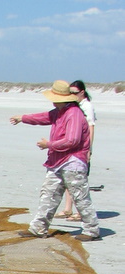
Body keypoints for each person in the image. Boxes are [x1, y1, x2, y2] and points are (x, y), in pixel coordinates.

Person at [10, 80, 101, 242]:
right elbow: (44, 117)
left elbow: (72, 140)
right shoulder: (60, 111)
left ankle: (91, 229)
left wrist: (48, 144)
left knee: (80, 196)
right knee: (49, 194)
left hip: (72, 161)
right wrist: (22, 118)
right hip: (57, 161)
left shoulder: (73, 113)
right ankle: (38, 228)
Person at [56, 80, 96, 221]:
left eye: (74, 92)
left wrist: (89, 149)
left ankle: (81, 212)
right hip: (73, 149)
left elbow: (91, 127)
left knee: (79, 182)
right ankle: (68, 209)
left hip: (82, 149)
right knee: (69, 179)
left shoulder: (86, 106)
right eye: (70, 92)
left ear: (82, 93)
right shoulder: (75, 106)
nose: (71, 95)